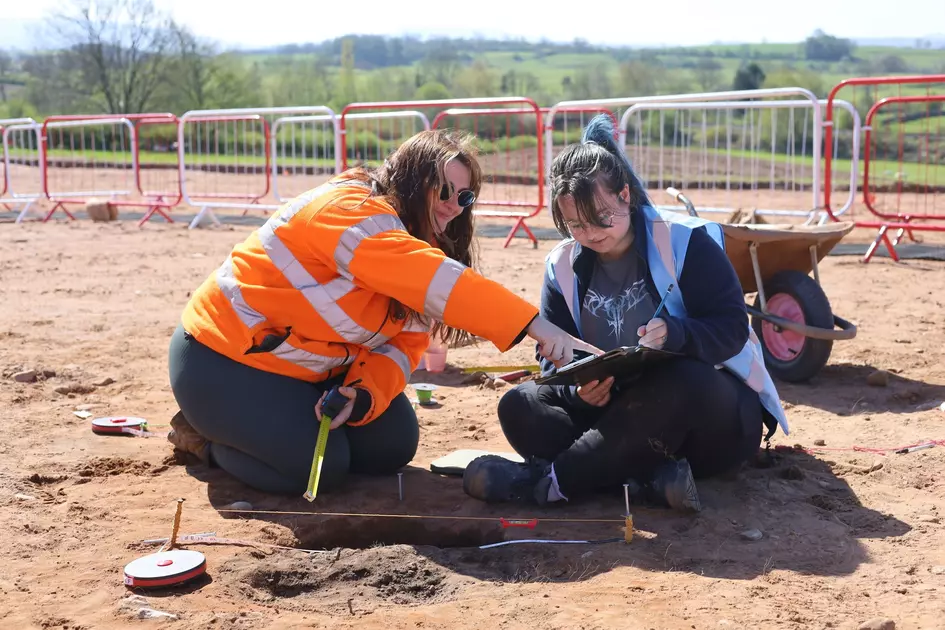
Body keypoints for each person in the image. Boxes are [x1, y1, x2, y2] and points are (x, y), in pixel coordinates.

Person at [166, 128, 583, 495]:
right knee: (316, 471)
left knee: (391, 444)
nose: (455, 206)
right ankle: (205, 438)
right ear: (412, 179)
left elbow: (405, 343)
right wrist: (535, 325)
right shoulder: (350, 212)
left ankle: (266, 428)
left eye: (465, 196)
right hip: (224, 360)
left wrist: (362, 393)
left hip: (308, 370)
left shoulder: (418, 241)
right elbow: (434, 279)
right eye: (444, 190)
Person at [462, 114, 789, 511]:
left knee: (680, 380)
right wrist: (580, 394)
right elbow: (554, 361)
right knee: (519, 405)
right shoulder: (561, 265)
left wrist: (675, 334)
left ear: (625, 195)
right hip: (621, 413)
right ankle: (647, 480)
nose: (592, 233)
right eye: (576, 224)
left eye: (601, 218)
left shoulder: (686, 242)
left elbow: (733, 329)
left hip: (709, 417)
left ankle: (549, 483)